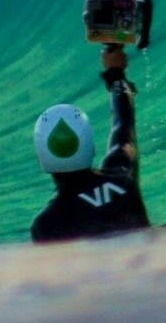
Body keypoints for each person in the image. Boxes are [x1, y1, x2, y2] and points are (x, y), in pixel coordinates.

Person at [30, 44, 151, 243]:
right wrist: (116, 74)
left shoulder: (47, 225)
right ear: (91, 147)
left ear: (42, 157)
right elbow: (124, 124)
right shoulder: (122, 180)